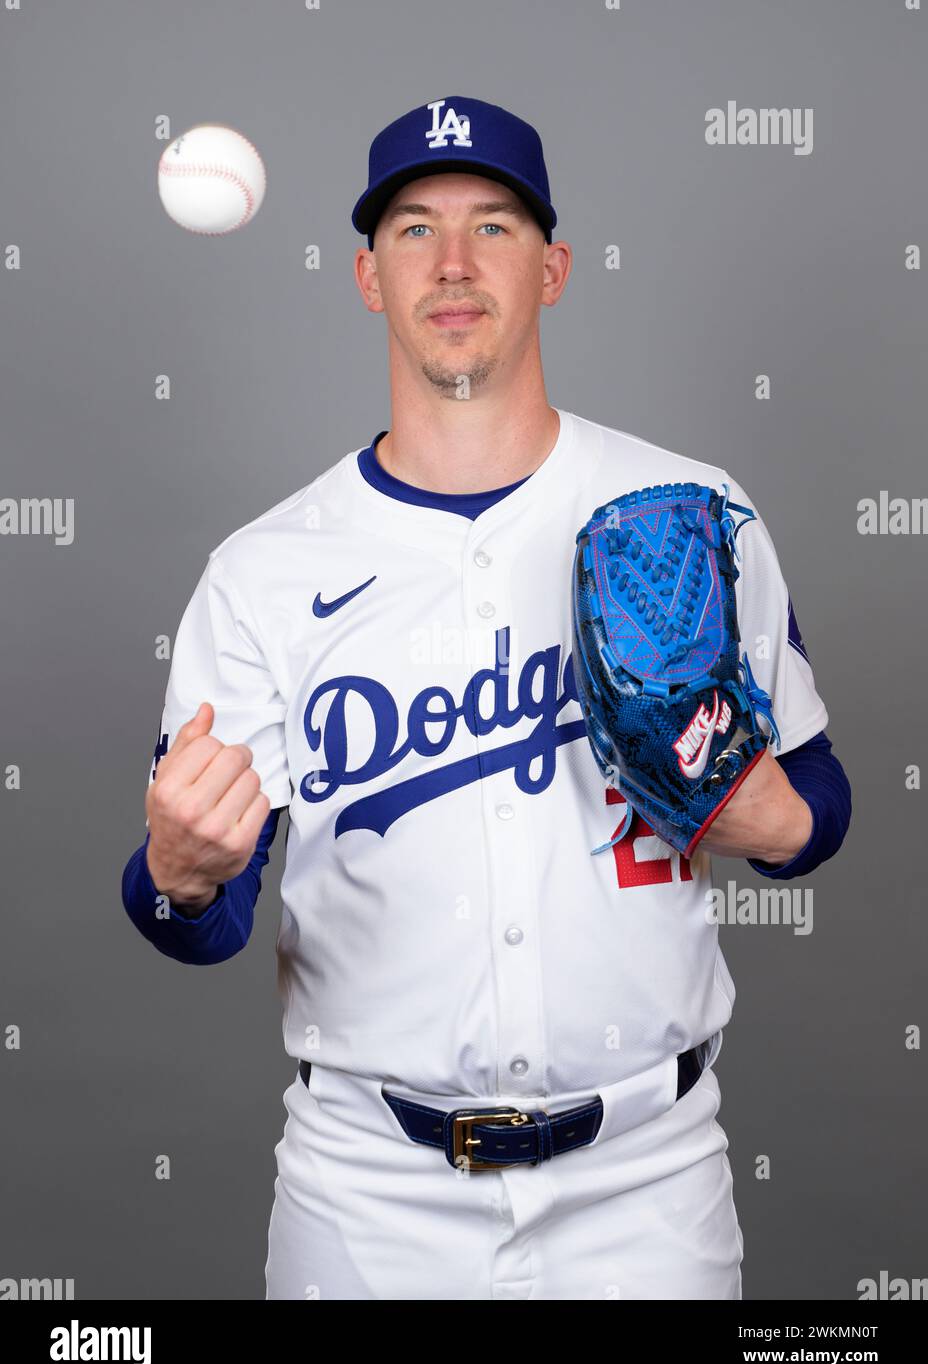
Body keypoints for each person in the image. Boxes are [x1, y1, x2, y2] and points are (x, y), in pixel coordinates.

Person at [122, 95, 851, 1300]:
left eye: (493, 227)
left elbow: (816, 798)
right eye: (413, 229)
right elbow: (192, 918)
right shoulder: (262, 571)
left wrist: (775, 822)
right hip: (366, 1194)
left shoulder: (686, 512)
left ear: (552, 265)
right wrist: (178, 872)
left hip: (647, 1187)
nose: (453, 264)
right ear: (367, 276)